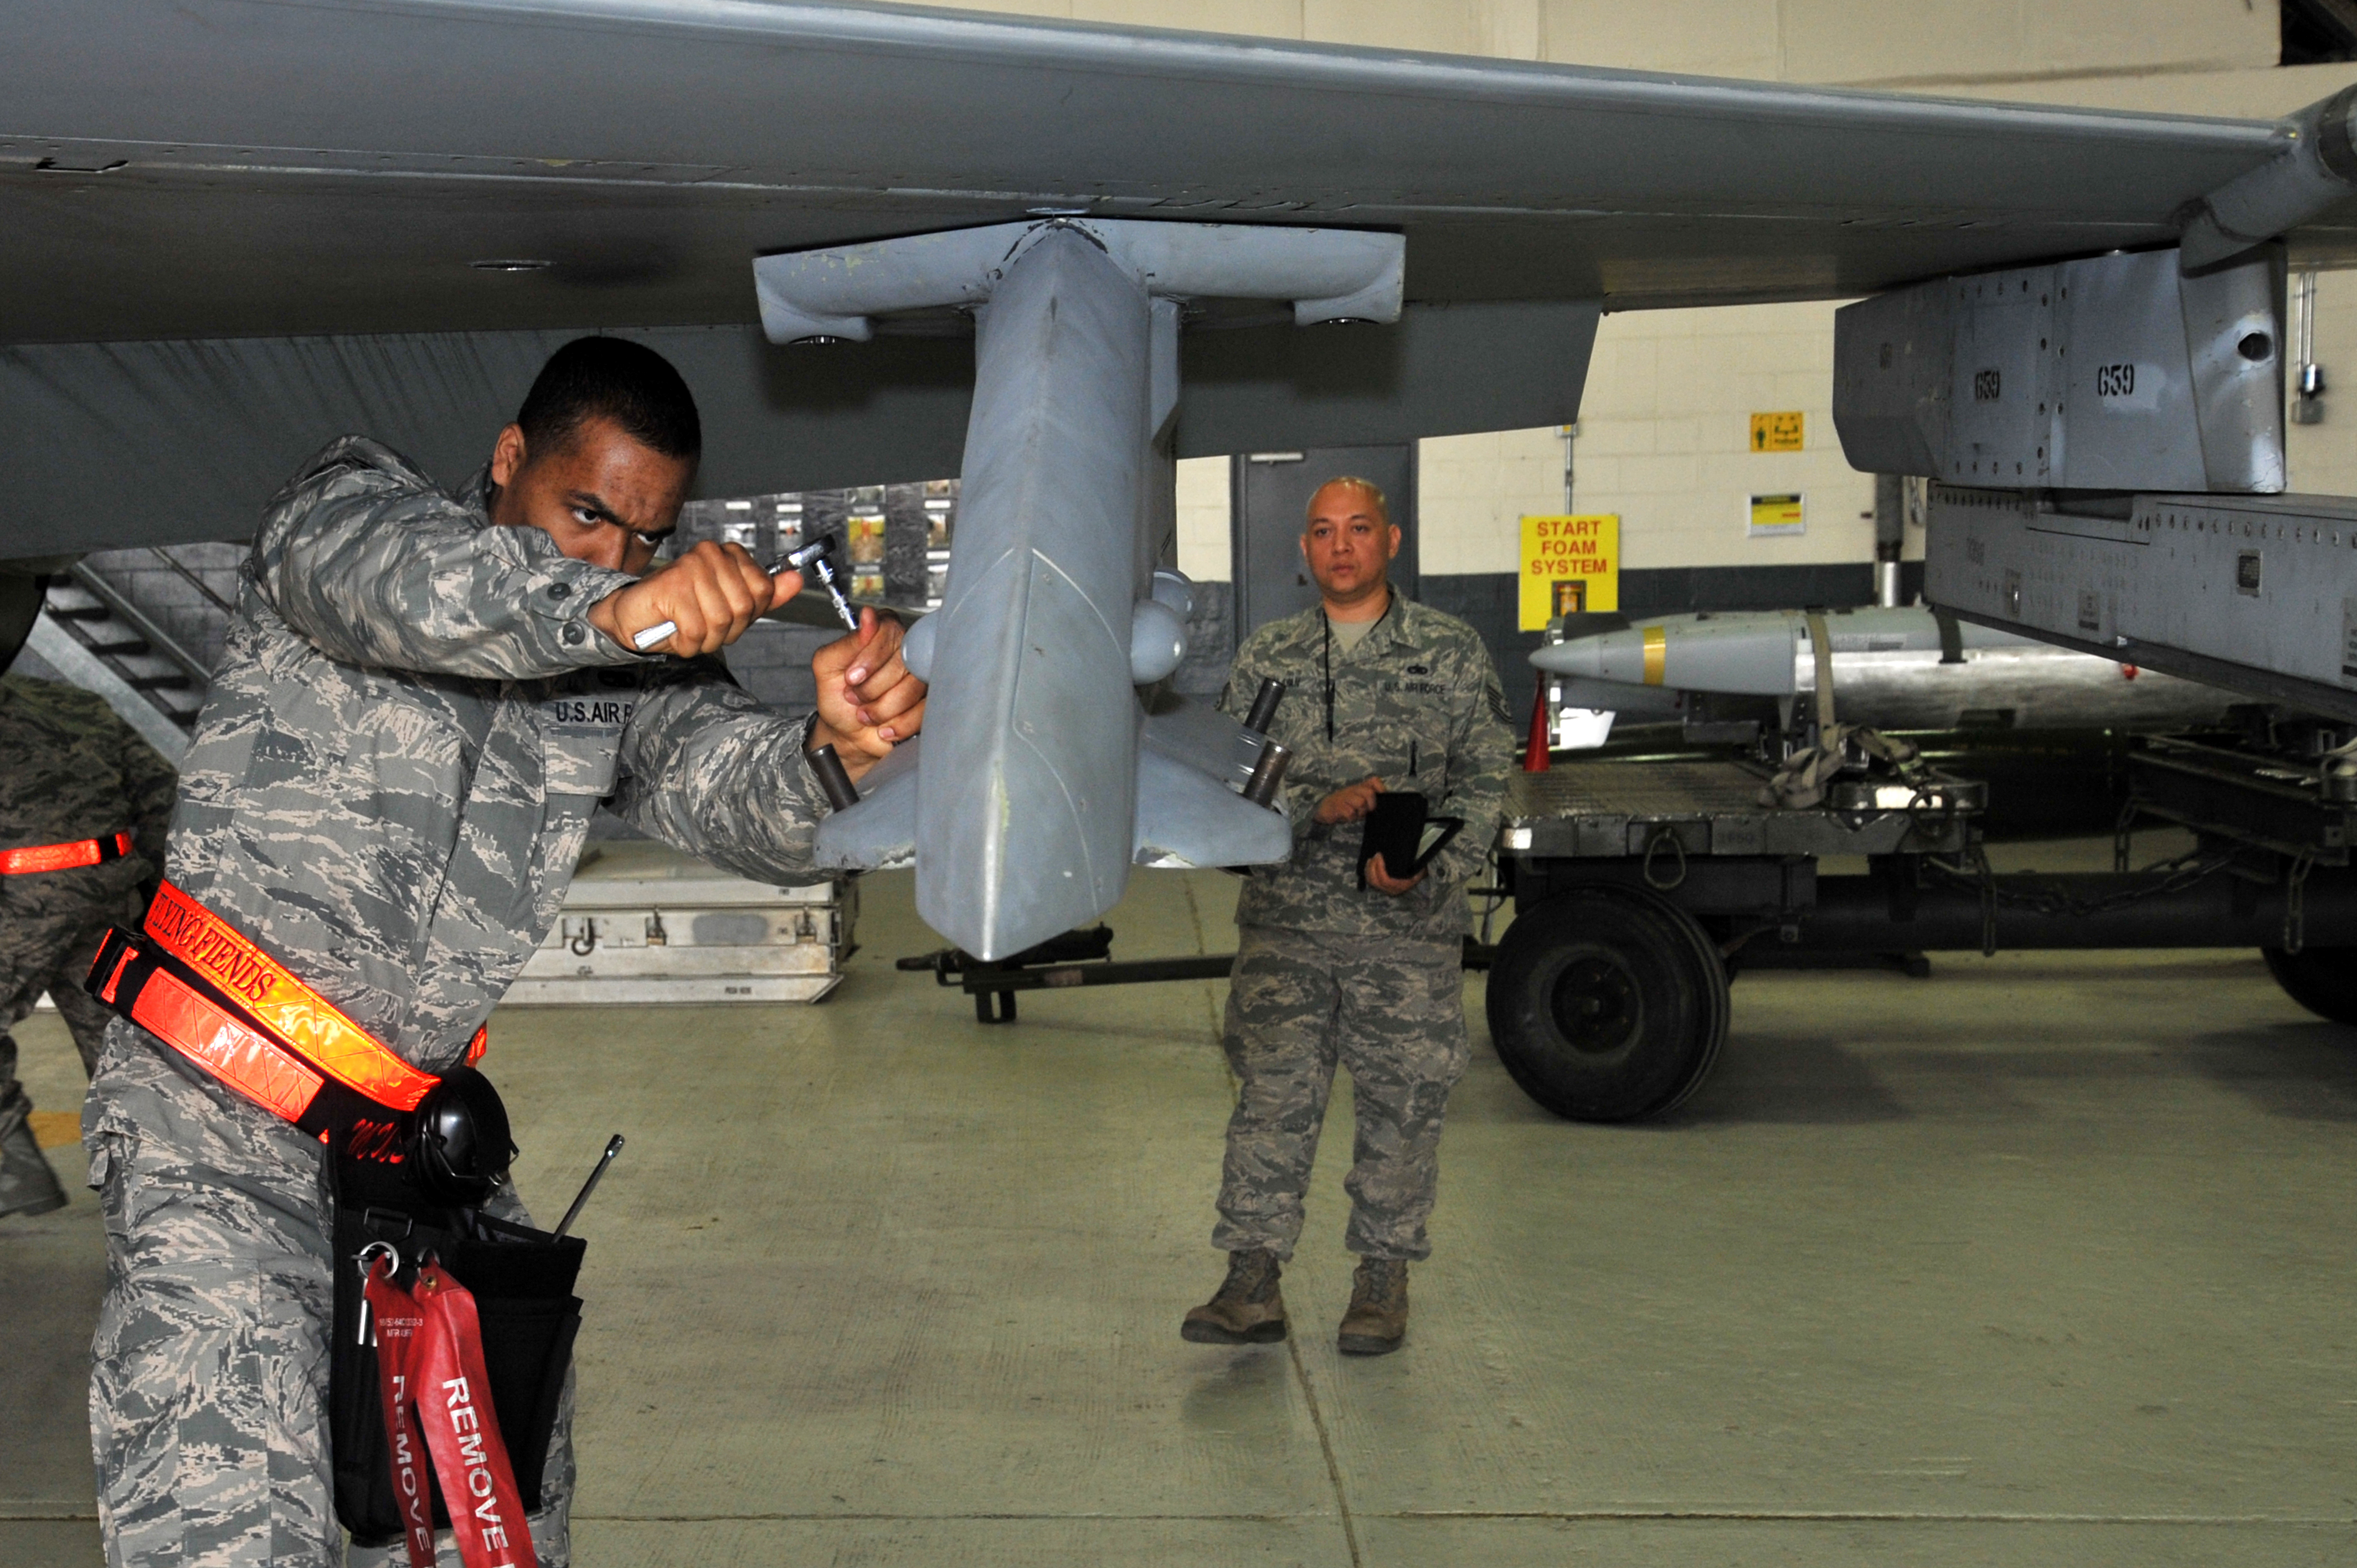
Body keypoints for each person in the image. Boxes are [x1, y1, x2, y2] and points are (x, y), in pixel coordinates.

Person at [83, 336, 925, 1567]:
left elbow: (724, 783)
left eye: (646, 537)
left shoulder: (610, 662)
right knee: (227, 1525)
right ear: (509, 456)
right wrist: (613, 606)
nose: (614, 553)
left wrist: (832, 753)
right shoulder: (352, 514)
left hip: (414, 1161)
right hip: (215, 1127)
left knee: (493, 1527)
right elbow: (417, 587)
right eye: (587, 510)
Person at [1185, 476, 1513, 1356]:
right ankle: (1250, 1280)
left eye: (1358, 529)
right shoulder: (1268, 658)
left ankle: (1382, 1283)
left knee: (1403, 1107)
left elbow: (1487, 781)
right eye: (1324, 532)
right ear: (1304, 549)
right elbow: (1231, 782)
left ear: (1391, 541)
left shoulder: (1448, 652)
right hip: (1287, 929)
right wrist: (1312, 808)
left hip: (1404, 936)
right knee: (1271, 1102)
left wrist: (1428, 872)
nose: (1341, 546)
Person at [0, 674, 177, 1219]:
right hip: (110, 890)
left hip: (16, 899)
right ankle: (158, 1194)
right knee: (124, 1050)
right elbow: (159, 795)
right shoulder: (75, 700)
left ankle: (12, 1168)